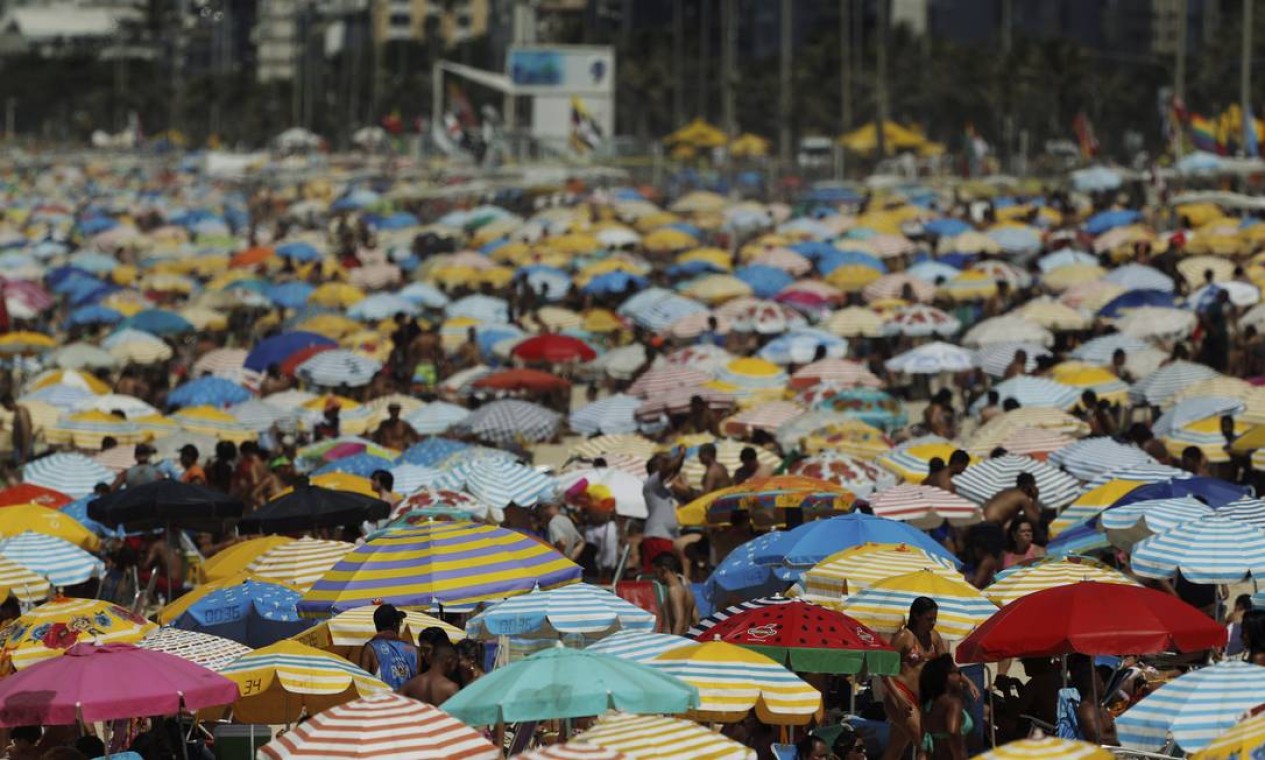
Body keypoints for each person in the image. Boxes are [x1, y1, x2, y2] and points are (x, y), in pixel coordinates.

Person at [881, 597, 947, 760]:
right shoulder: (904, 637)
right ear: (916, 616)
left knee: (895, 751)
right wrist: (898, 698)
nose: (933, 623)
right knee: (926, 745)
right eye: (929, 619)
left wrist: (966, 682)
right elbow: (884, 671)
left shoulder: (934, 637)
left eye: (935, 619)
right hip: (901, 695)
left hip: (921, 700)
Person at [641, 448, 686, 573]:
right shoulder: (651, 483)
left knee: (668, 574)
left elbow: (674, 469)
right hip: (657, 536)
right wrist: (680, 454)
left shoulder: (661, 487)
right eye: (664, 462)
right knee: (660, 573)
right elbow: (669, 469)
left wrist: (681, 457)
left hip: (665, 536)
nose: (667, 463)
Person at [920, 654, 971, 759]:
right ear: (945, 677)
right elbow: (952, 732)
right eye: (957, 673)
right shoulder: (953, 703)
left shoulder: (928, 705)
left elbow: (925, 743)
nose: (960, 677)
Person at [358, 604, 419, 690]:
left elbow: (363, 685)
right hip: (409, 702)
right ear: (395, 625)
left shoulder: (370, 649)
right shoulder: (412, 649)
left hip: (382, 702)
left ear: (376, 627)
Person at [652, 552, 698, 636]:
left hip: (674, 642)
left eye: (656, 572)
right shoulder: (688, 591)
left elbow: (679, 620)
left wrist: (673, 643)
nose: (655, 576)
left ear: (663, 569)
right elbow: (695, 621)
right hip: (685, 640)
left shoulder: (674, 591)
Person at [1, 395, 32, 466]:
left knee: (20, 470)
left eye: (5, 406)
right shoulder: (17, 412)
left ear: (8, 403)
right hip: (19, 447)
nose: (5, 409)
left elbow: (26, 432)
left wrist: (23, 455)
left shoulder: (22, 412)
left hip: (23, 448)